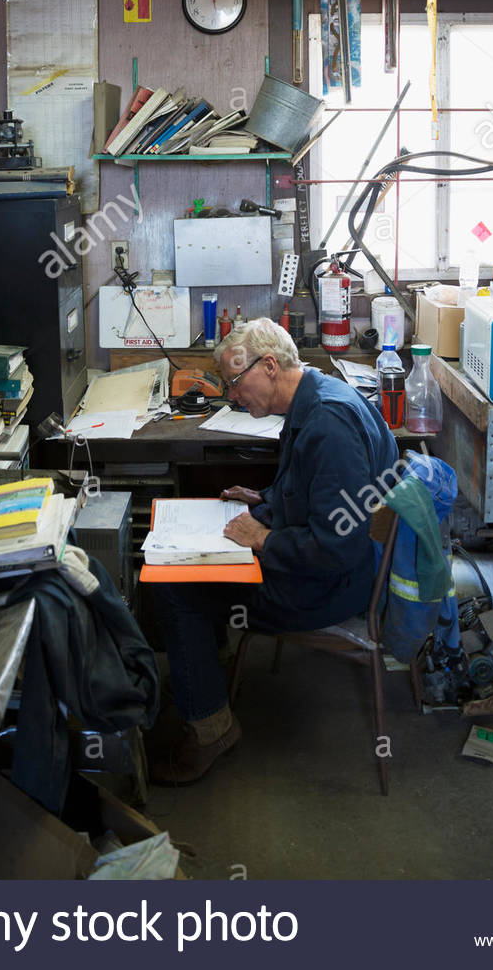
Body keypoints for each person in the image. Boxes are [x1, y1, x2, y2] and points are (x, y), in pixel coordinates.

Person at [150, 317, 399, 784]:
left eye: (234, 383)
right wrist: (268, 500)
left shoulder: (328, 426)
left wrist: (264, 538)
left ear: (268, 365)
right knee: (190, 569)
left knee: (175, 587)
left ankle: (210, 728)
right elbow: (319, 495)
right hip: (328, 572)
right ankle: (206, 676)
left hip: (328, 588)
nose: (231, 396)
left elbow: (337, 546)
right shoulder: (318, 397)